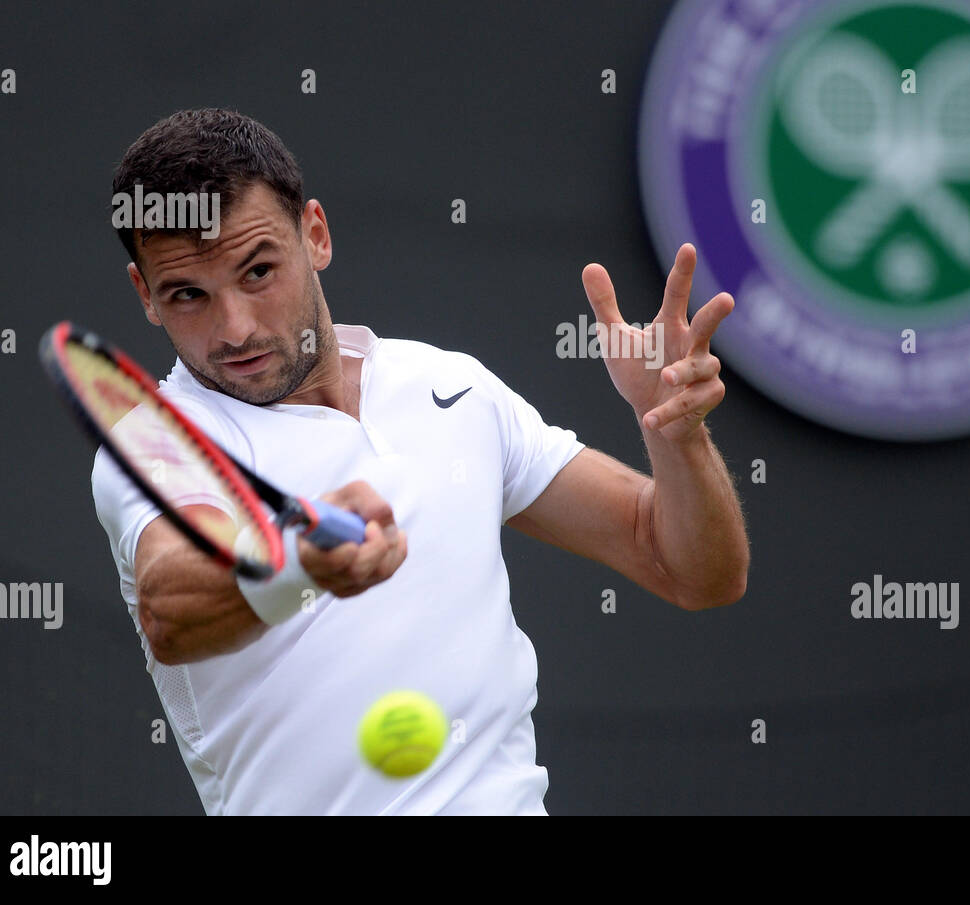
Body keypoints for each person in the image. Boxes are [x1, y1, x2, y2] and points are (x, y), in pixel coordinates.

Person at [92, 107, 749, 814]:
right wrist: (300, 563)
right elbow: (168, 607)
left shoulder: (451, 386)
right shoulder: (156, 440)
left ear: (315, 234)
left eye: (258, 271)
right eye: (188, 295)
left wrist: (674, 435)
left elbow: (692, 568)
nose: (236, 328)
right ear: (145, 296)